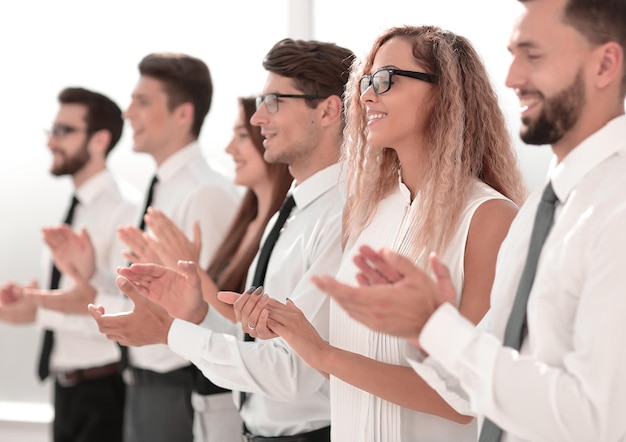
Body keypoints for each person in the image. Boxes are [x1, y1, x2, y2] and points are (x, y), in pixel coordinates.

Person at [308, 0, 626, 441]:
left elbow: (599, 418)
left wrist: (431, 329)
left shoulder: (610, 209)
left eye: (533, 55)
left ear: (606, 63)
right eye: (513, 56)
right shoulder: (544, 211)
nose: (512, 78)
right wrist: (429, 331)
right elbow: (474, 387)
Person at [237, 25, 527, 441]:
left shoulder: (489, 217)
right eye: (366, 81)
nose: (367, 95)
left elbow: (464, 396)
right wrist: (296, 336)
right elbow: (351, 366)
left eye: (386, 79)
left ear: (443, 92)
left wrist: (322, 353)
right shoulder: (366, 212)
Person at [89, 38, 355, 441]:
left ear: (328, 110)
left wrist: (170, 332)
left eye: (274, 101)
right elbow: (255, 344)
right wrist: (198, 314)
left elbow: (292, 374)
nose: (257, 118)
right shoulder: (292, 213)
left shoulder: (340, 217)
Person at [34, 53, 241, 442]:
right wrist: (90, 279)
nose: (128, 114)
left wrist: (90, 296)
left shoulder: (206, 193)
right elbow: (154, 297)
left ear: (183, 114)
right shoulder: (162, 185)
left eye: (142, 102)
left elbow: (217, 313)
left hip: (178, 385)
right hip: (145, 384)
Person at [136, 96, 293, 441]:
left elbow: (250, 325)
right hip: (217, 394)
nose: (228, 148)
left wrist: (193, 272)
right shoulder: (248, 219)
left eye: (242, 136)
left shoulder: (283, 225)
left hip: (249, 402)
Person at [0, 87, 136, 442]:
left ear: (99, 140)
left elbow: (121, 316)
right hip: (67, 390)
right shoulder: (77, 208)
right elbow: (73, 296)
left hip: (104, 391)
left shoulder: (125, 211)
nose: (51, 142)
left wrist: (39, 306)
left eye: (64, 131)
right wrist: (31, 301)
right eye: (52, 130)